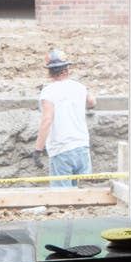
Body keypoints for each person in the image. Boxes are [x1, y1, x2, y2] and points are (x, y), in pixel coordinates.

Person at [34, 49, 96, 187]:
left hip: (61, 150)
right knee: (85, 196)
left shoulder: (48, 92)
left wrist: (38, 150)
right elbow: (92, 102)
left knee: (62, 198)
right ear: (67, 70)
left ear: (49, 72)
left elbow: (47, 120)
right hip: (82, 148)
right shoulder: (79, 87)